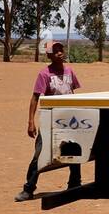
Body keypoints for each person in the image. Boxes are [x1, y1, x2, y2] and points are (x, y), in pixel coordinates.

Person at [16, 40, 82, 202]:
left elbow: (74, 93)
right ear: (49, 55)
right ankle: (28, 188)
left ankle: (74, 183)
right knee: (40, 154)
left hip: (69, 120)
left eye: (61, 49)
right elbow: (35, 98)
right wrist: (30, 122)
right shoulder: (44, 74)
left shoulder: (69, 71)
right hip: (50, 120)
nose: (60, 52)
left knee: (73, 151)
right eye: (56, 51)